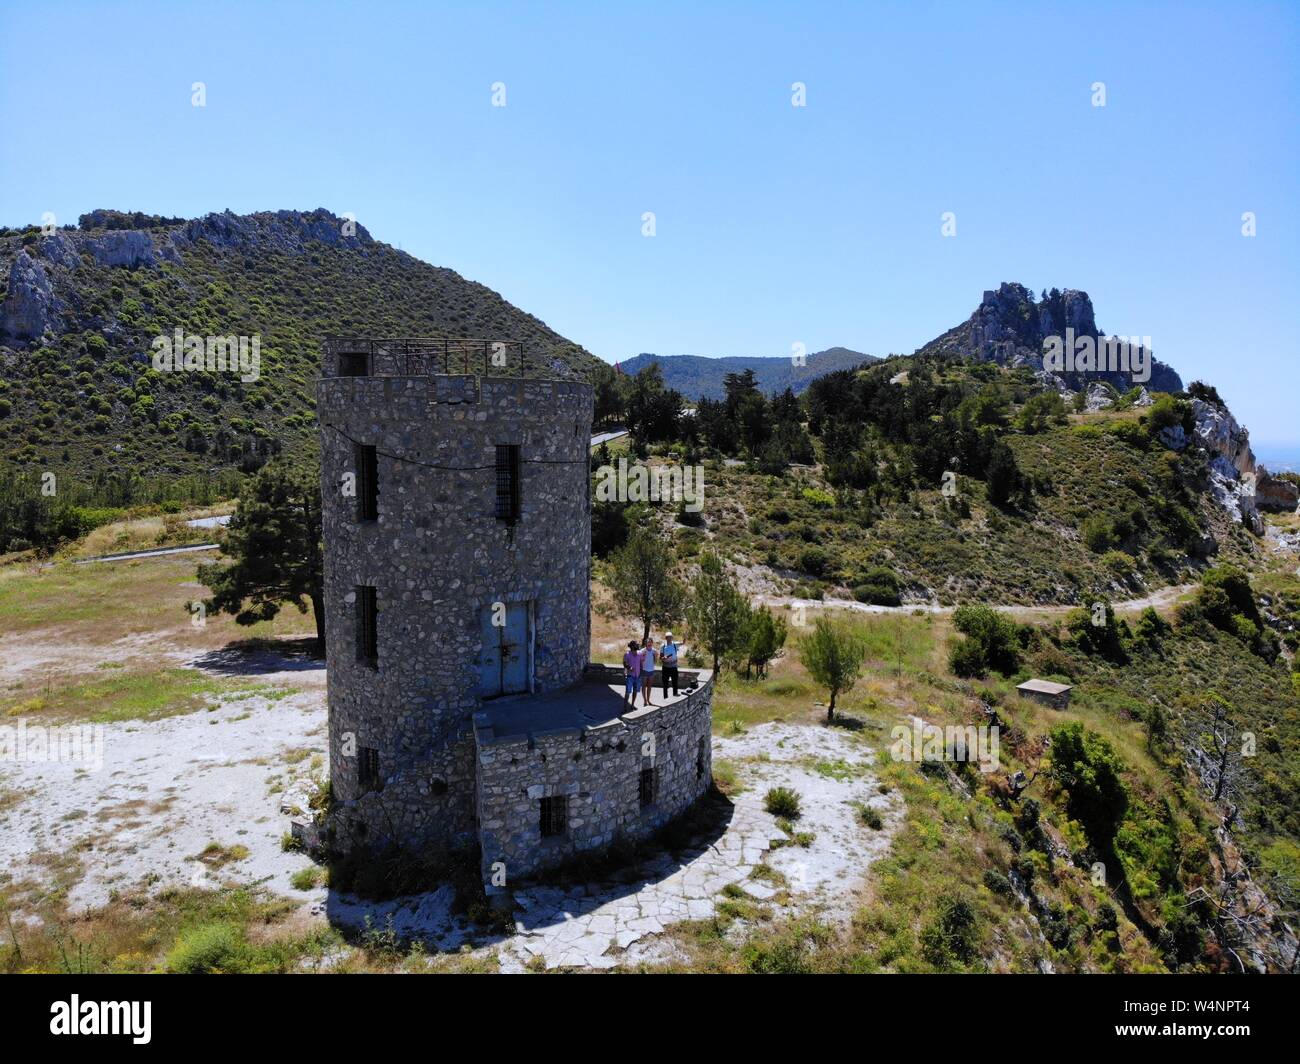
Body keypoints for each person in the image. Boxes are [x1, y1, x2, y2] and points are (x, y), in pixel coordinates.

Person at [622, 639, 641, 709]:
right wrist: (629, 668)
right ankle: (625, 707)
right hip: (630, 676)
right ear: (632, 646)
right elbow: (624, 663)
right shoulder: (627, 654)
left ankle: (632, 705)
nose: (637, 646)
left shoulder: (639, 654)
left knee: (635, 691)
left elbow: (641, 664)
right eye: (636, 644)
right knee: (627, 692)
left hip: (637, 676)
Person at [640, 636, 657, 706]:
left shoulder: (654, 651)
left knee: (649, 686)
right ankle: (644, 701)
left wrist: (655, 656)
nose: (649, 643)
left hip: (651, 670)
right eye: (648, 642)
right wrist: (643, 657)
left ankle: (648, 700)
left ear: (652, 643)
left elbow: (655, 662)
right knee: (643, 686)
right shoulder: (642, 651)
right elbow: (640, 661)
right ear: (646, 643)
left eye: (650, 642)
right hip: (644, 670)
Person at [661, 631, 679, 697]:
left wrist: (685, 637)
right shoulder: (663, 646)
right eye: (668, 637)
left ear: (672, 638)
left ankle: (675, 694)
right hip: (666, 667)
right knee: (665, 683)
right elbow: (661, 657)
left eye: (670, 637)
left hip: (674, 666)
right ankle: (665, 697)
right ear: (666, 638)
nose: (669, 638)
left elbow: (683, 643)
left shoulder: (675, 645)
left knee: (675, 682)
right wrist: (664, 657)